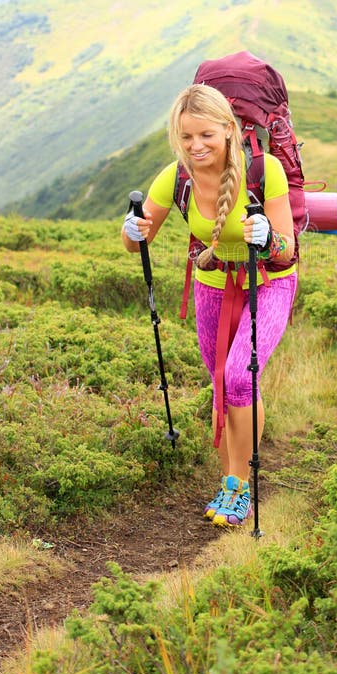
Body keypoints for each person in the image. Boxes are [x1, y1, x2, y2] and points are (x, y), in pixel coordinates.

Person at [121, 83, 297, 526]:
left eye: (206, 136)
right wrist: (131, 230)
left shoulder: (264, 169)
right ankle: (229, 483)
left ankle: (240, 487)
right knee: (223, 384)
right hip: (213, 282)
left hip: (269, 281)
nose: (196, 146)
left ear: (229, 131)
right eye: (186, 138)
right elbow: (136, 240)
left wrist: (267, 237)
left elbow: (286, 248)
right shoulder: (176, 176)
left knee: (241, 375)